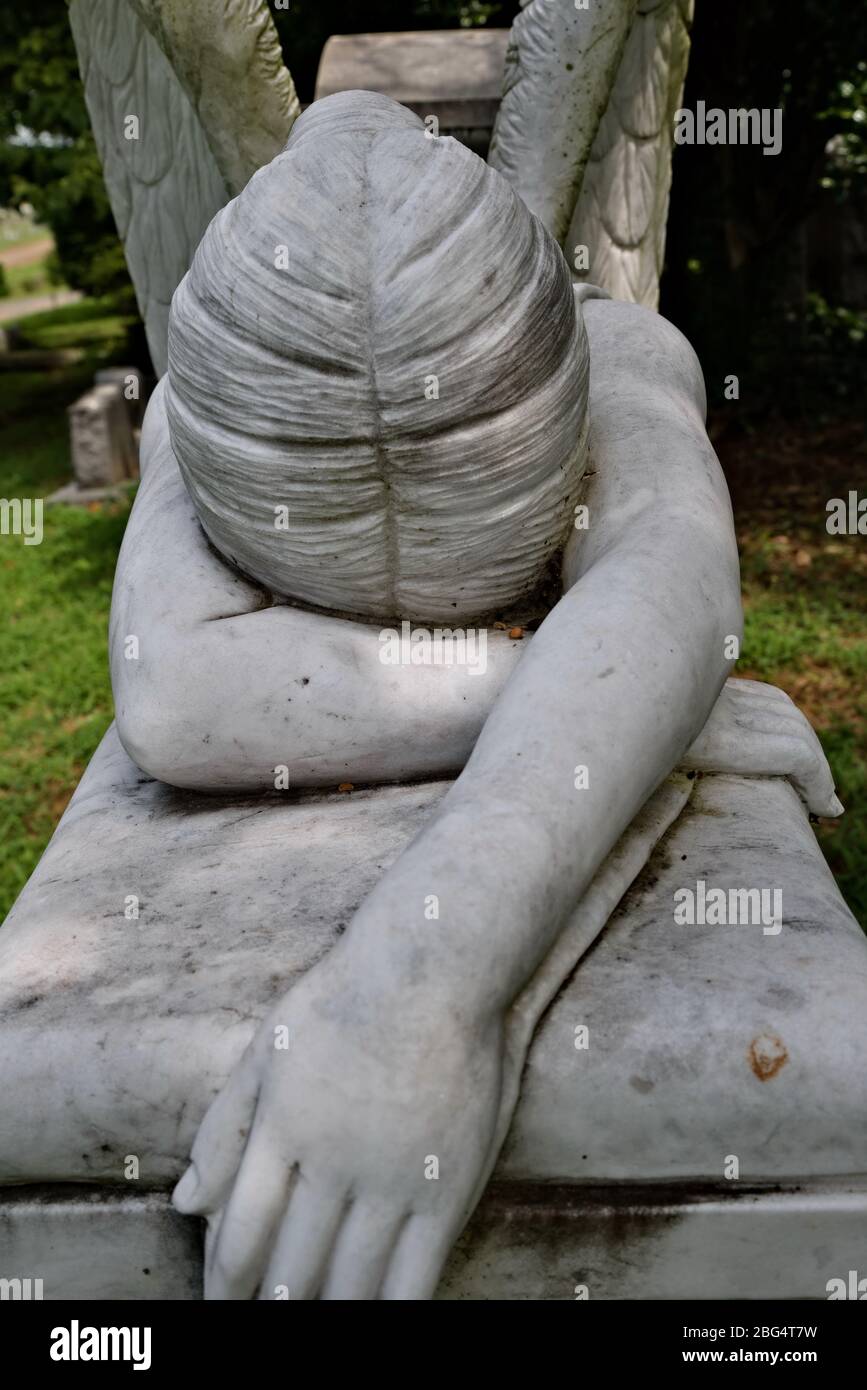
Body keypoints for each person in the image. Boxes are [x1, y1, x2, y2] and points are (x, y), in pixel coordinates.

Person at [110, 93, 839, 1299]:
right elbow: (179, 698)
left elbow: (675, 581)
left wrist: (423, 986)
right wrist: (639, 697)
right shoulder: (191, 409)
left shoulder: (619, 352)